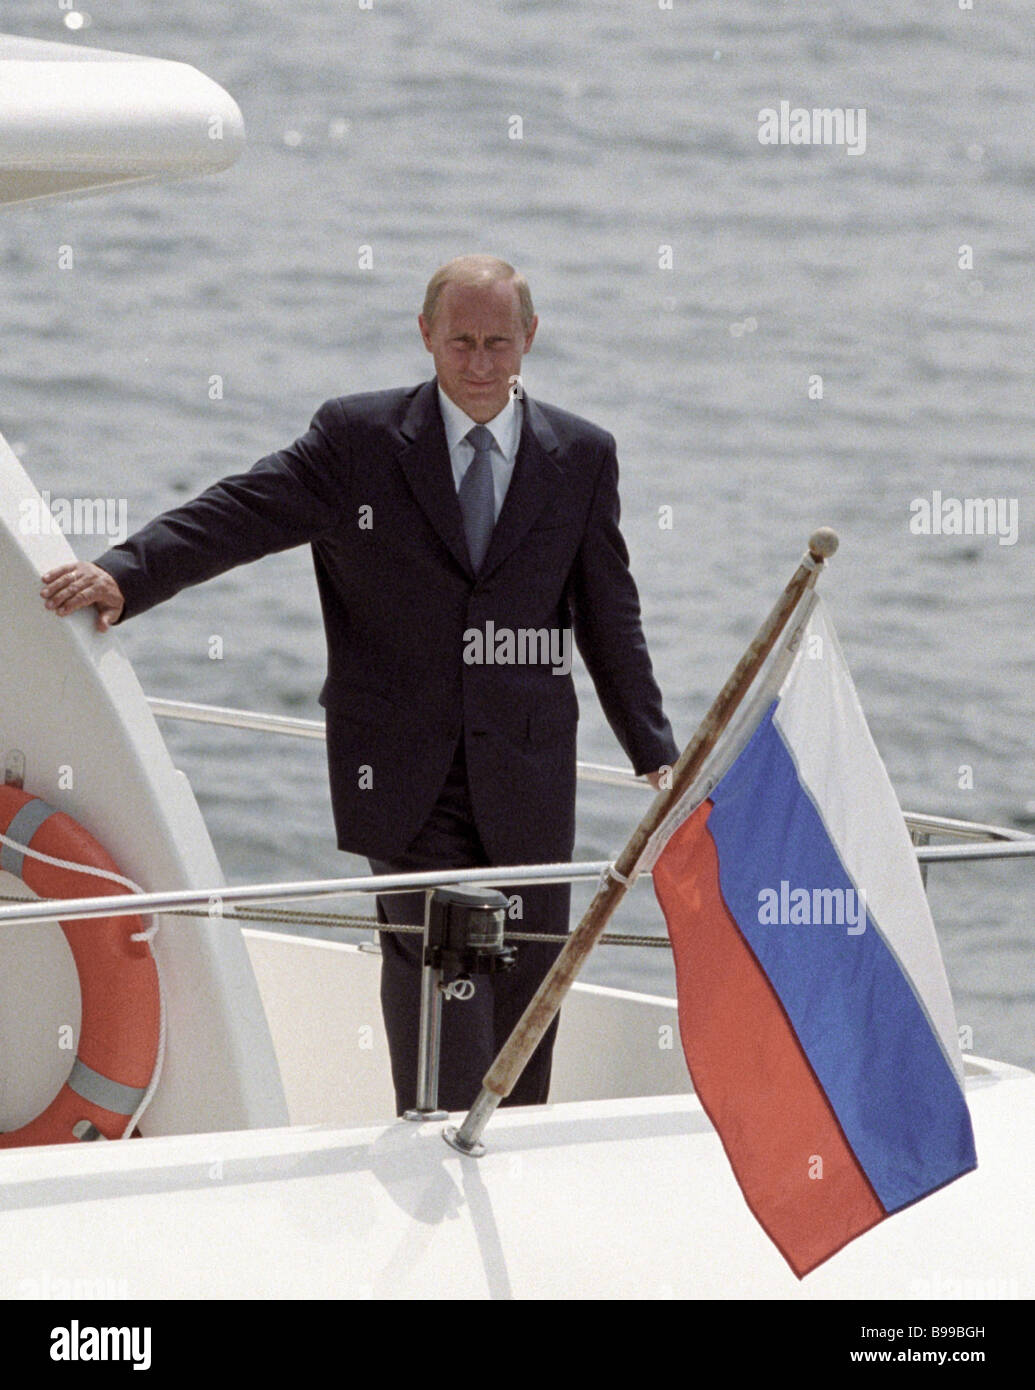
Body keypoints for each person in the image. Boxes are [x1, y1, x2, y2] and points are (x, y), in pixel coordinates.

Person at [40, 254, 680, 1115]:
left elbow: (610, 616)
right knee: (442, 965)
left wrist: (656, 755)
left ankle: (512, 1161)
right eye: (461, 342)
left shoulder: (582, 455)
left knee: (527, 981)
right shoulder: (360, 441)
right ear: (426, 335)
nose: (480, 363)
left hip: (526, 770)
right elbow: (240, 512)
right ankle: (439, 1149)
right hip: (400, 768)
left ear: (530, 338)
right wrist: (126, 573)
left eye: (499, 342)